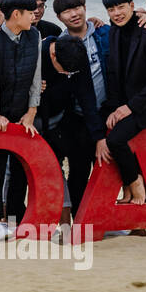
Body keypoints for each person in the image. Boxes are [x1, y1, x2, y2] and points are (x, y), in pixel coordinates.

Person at [99, 0, 146, 206]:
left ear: (132, 6)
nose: (116, 13)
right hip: (124, 104)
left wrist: (129, 107)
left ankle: (134, 182)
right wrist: (113, 108)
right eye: (111, 9)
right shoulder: (114, 32)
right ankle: (127, 190)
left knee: (116, 139)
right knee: (101, 130)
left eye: (121, 7)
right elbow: (113, 74)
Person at [0, 0, 43, 224]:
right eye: (31, 12)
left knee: (21, 172)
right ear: (16, 14)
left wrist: (31, 111)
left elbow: (36, 75)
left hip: (25, 113)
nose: (34, 16)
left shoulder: (34, 36)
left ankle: (16, 219)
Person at [52, 0, 112, 218]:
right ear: (59, 17)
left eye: (77, 8)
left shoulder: (104, 34)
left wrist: (142, 14)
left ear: (85, 7)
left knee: (108, 167)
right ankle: (78, 218)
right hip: (76, 117)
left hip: (106, 112)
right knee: (78, 169)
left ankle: (104, 216)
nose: (74, 14)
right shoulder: (61, 43)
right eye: (67, 11)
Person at [38, 34, 108, 222]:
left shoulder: (75, 55)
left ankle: (80, 218)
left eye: (72, 73)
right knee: (46, 168)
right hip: (37, 120)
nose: (68, 76)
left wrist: (99, 137)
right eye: (65, 72)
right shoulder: (38, 53)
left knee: (80, 160)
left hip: (65, 119)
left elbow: (87, 96)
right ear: (53, 57)